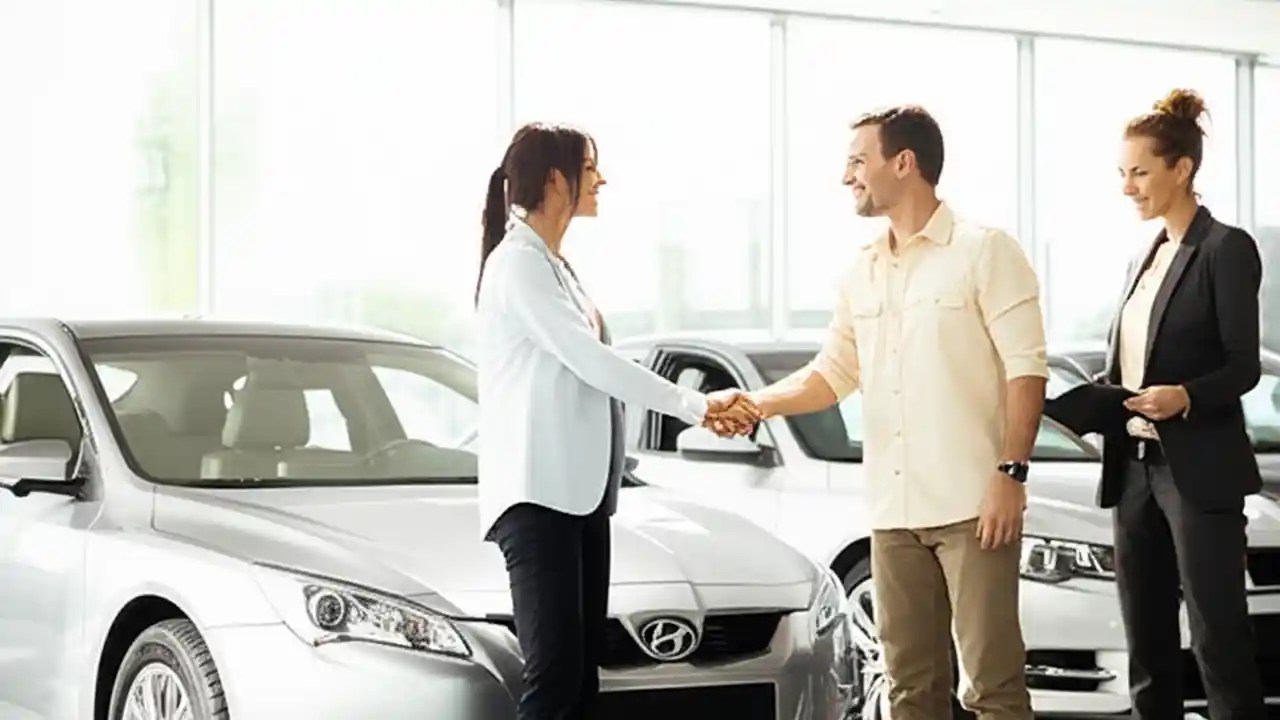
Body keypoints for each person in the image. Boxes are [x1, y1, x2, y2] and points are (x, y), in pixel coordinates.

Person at [720, 105, 1046, 719]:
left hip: (974, 508)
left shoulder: (985, 251)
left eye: (857, 161)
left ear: (905, 163)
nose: (848, 176)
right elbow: (833, 373)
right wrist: (757, 403)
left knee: (992, 688)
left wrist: (1012, 473)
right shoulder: (862, 270)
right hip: (893, 515)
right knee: (908, 688)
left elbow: (1026, 368)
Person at [474, 121, 748, 720]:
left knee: (580, 681)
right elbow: (592, 362)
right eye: (590, 166)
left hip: (579, 499)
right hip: (537, 499)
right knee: (553, 682)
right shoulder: (517, 264)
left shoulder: (553, 264)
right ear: (555, 178)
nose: (600, 178)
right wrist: (696, 406)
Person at [1099, 88, 1264, 718]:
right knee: (1147, 642)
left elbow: (1242, 366)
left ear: (1181, 168)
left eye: (1139, 172)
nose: (1128, 187)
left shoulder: (1225, 248)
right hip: (1134, 471)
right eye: (1122, 174)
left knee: (1217, 636)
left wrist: (1185, 397)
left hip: (1197, 473)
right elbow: (1132, 358)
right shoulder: (1145, 255)